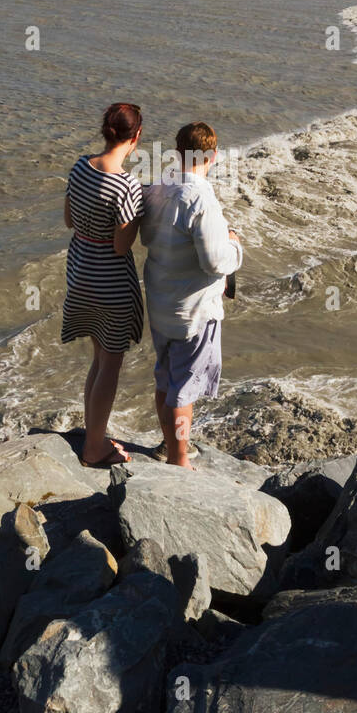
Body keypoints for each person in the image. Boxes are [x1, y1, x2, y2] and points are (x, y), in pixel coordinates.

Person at [140, 121, 242, 469]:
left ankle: (168, 444)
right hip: (193, 312)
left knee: (165, 379)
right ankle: (180, 458)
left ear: (178, 151)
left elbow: (148, 236)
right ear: (212, 156)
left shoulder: (158, 187)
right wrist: (235, 247)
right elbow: (215, 262)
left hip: (160, 303)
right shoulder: (201, 198)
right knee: (183, 389)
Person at [62, 103, 145, 467]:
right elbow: (122, 245)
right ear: (136, 136)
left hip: (80, 270)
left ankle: (93, 432)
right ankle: (94, 447)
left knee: (98, 358)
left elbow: (68, 219)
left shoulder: (81, 166)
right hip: (109, 281)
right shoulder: (126, 184)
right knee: (110, 364)